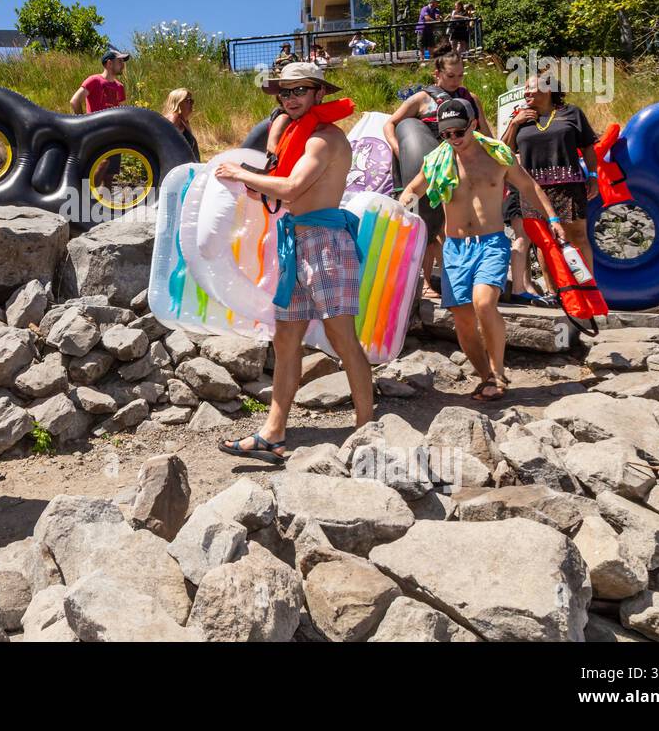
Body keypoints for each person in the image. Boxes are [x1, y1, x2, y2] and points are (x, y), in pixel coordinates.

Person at [213, 62, 374, 462]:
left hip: (327, 244)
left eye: (300, 90)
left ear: (320, 93)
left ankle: (367, 432)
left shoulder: (323, 140)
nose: (291, 98)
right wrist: (255, 186)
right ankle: (274, 433)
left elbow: (291, 187)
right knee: (285, 340)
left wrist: (241, 172)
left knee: (342, 339)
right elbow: (284, 197)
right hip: (298, 243)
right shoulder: (301, 141)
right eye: (285, 92)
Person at [399, 100, 567, 400]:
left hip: (491, 242)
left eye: (458, 132)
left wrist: (553, 218)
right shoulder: (438, 160)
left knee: (484, 303)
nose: (453, 139)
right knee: (462, 320)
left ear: (474, 124)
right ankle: (486, 376)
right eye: (446, 134)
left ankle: (498, 370)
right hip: (454, 248)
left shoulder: (497, 156)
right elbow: (413, 190)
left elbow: (529, 188)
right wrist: (398, 211)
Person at [383, 43, 492, 298]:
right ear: (437, 74)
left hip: (465, 171)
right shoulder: (422, 99)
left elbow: (485, 133)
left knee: (459, 227)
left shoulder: (471, 99)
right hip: (430, 171)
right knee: (430, 229)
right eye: (450, 76)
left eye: (460, 75)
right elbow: (390, 124)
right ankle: (424, 283)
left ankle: (453, 279)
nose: (456, 80)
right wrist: (402, 152)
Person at [503, 72, 601, 275]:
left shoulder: (572, 113)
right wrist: (514, 124)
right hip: (533, 190)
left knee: (578, 237)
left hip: (569, 187)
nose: (527, 92)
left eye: (532, 87)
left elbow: (588, 147)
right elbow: (503, 151)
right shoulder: (521, 118)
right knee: (545, 242)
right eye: (526, 88)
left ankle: (587, 287)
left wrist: (593, 176)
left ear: (548, 90)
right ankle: (555, 294)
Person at [71, 47, 131, 195]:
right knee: (101, 163)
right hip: (96, 131)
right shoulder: (94, 80)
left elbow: (122, 111)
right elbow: (74, 101)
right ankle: (84, 195)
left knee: (110, 174)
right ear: (109, 63)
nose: (122, 64)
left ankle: (106, 204)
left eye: (123, 61)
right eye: (119, 61)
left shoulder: (119, 87)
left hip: (114, 133)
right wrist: (83, 121)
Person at [162, 87, 200, 163]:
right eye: (188, 101)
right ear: (177, 102)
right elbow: (167, 145)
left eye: (192, 101)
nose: (191, 104)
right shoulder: (174, 118)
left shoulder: (184, 121)